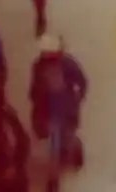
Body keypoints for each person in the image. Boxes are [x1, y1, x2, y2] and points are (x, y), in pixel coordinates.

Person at [30, 35, 88, 192]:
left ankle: (74, 148)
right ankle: (53, 179)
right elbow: (35, 89)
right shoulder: (39, 67)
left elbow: (82, 81)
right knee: (54, 144)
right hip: (50, 110)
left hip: (67, 109)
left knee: (67, 136)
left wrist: (78, 95)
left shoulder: (68, 65)